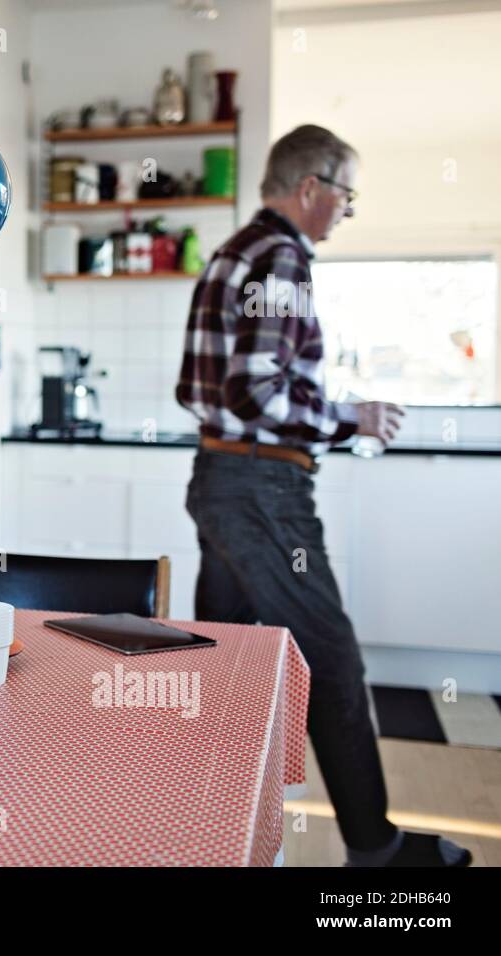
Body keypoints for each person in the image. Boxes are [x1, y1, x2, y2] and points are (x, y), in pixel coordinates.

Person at [176, 125, 469, 867]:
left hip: (223, 481)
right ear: (311, 188)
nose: (347, 210)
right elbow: (253, 388)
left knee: (230, 661)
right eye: (345, 194)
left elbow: (197, 389)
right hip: (263, 492)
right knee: (331, 659)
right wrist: (351, 416)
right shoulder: (280, 258)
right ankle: (377, 850)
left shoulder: (232, 251)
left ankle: (210, 824)